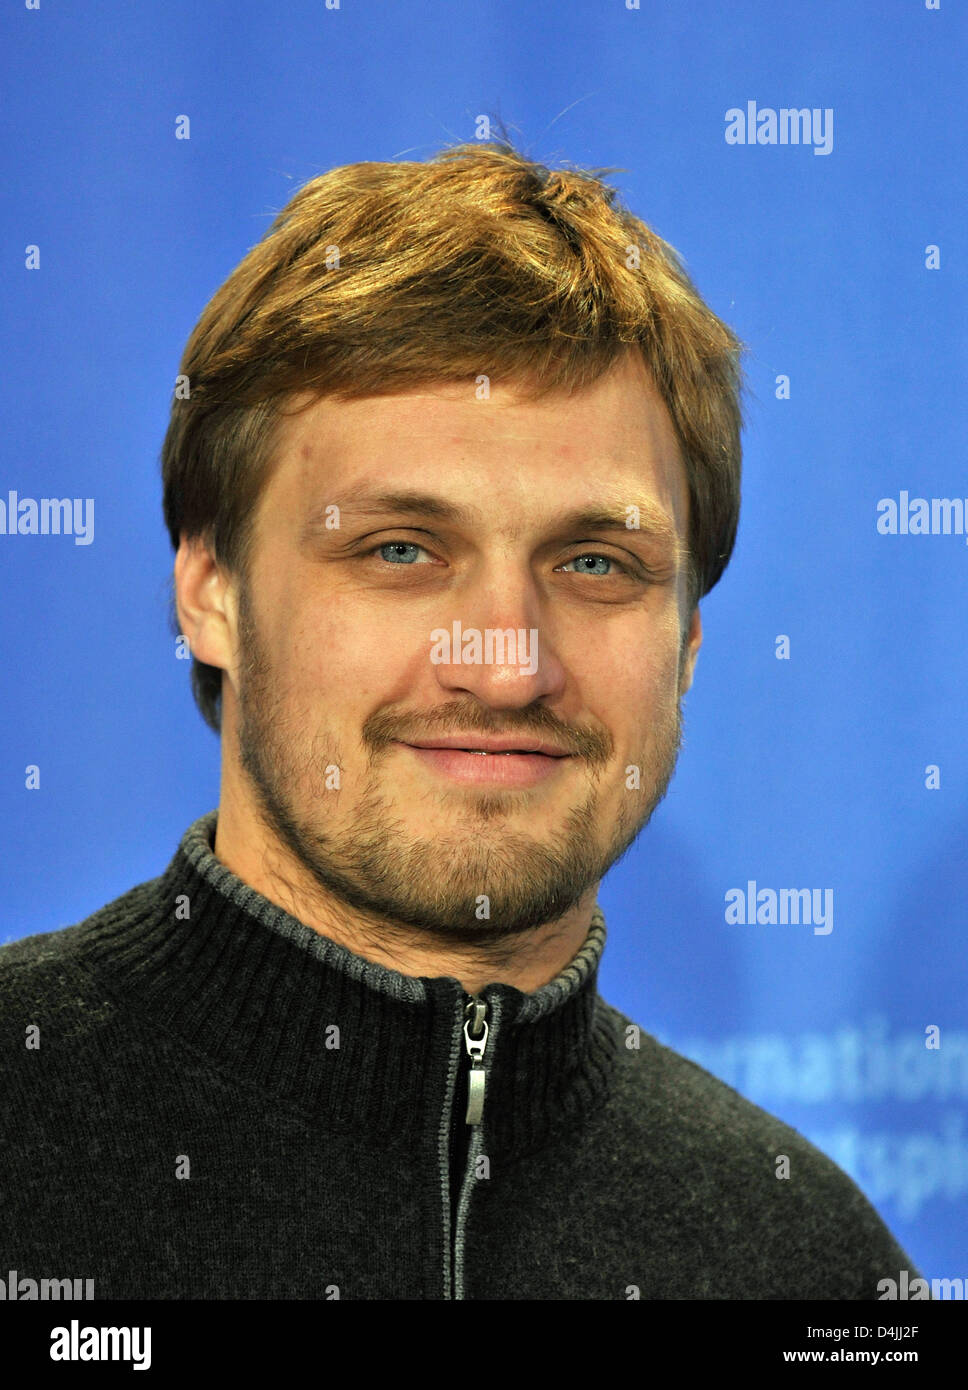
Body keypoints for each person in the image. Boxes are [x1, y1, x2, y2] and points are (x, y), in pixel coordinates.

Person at [0, 141, 921, 1299]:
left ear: (687, 640)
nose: (505, 664)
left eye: (594, 562)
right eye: (398, 550)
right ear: (210, 592)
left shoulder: (804, 1266)